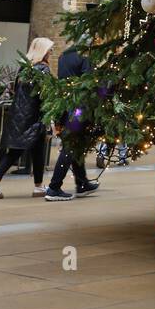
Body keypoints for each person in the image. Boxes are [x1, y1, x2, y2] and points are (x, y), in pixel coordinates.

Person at [0, 36, 54, 199]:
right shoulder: (43, 69)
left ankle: (38, 186)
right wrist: (50, 117)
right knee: (19, 151)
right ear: (43, 51)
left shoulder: (24, 69)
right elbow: (45, 95)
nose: (51, 52)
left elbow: (16, 91)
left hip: (18, 115)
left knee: (34, 150)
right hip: (34, 115)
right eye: (50, 49)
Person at [45, 43, 99, 203]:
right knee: (70, 146)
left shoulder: (63, 56)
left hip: (66, 105)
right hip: (78, 108)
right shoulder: (85, 56)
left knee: (76, 145)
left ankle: (82, 183)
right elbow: (88, 83)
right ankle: (54, 187)